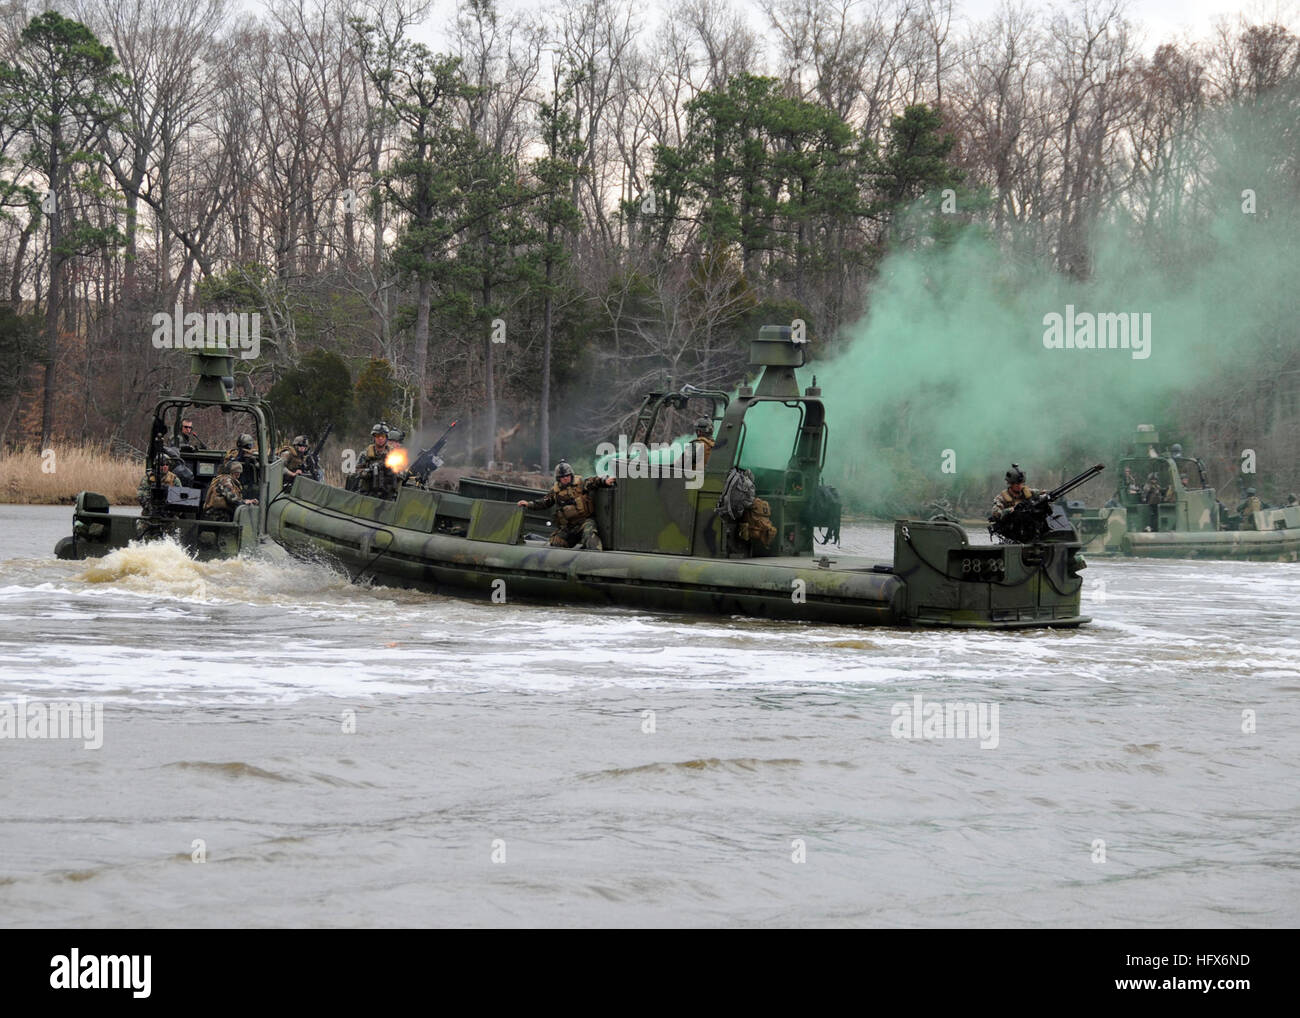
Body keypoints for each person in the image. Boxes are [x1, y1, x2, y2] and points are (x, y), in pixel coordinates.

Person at [517, 461, 616, 549]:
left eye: (567, 476)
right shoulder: (555, 492)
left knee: (591, 538)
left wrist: (604, 481)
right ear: (558, 479)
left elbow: (593, 481)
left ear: (571, 475)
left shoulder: (581, 484)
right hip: (569, 526)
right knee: (556, 541)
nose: (565, 478)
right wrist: (528, 504)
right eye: (562, 477)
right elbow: (544, 502)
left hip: (584, 522)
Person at [356, 423, 407, 499]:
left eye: (382, 436)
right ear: (374, 437)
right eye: (377, 436)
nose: (380, 439)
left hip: (389, 495)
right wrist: (369, 472)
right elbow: (357, 471)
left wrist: (392, 470)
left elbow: (403, 473)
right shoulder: (365, 454)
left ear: (386, 438)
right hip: (368, 494)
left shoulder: (394, 454)